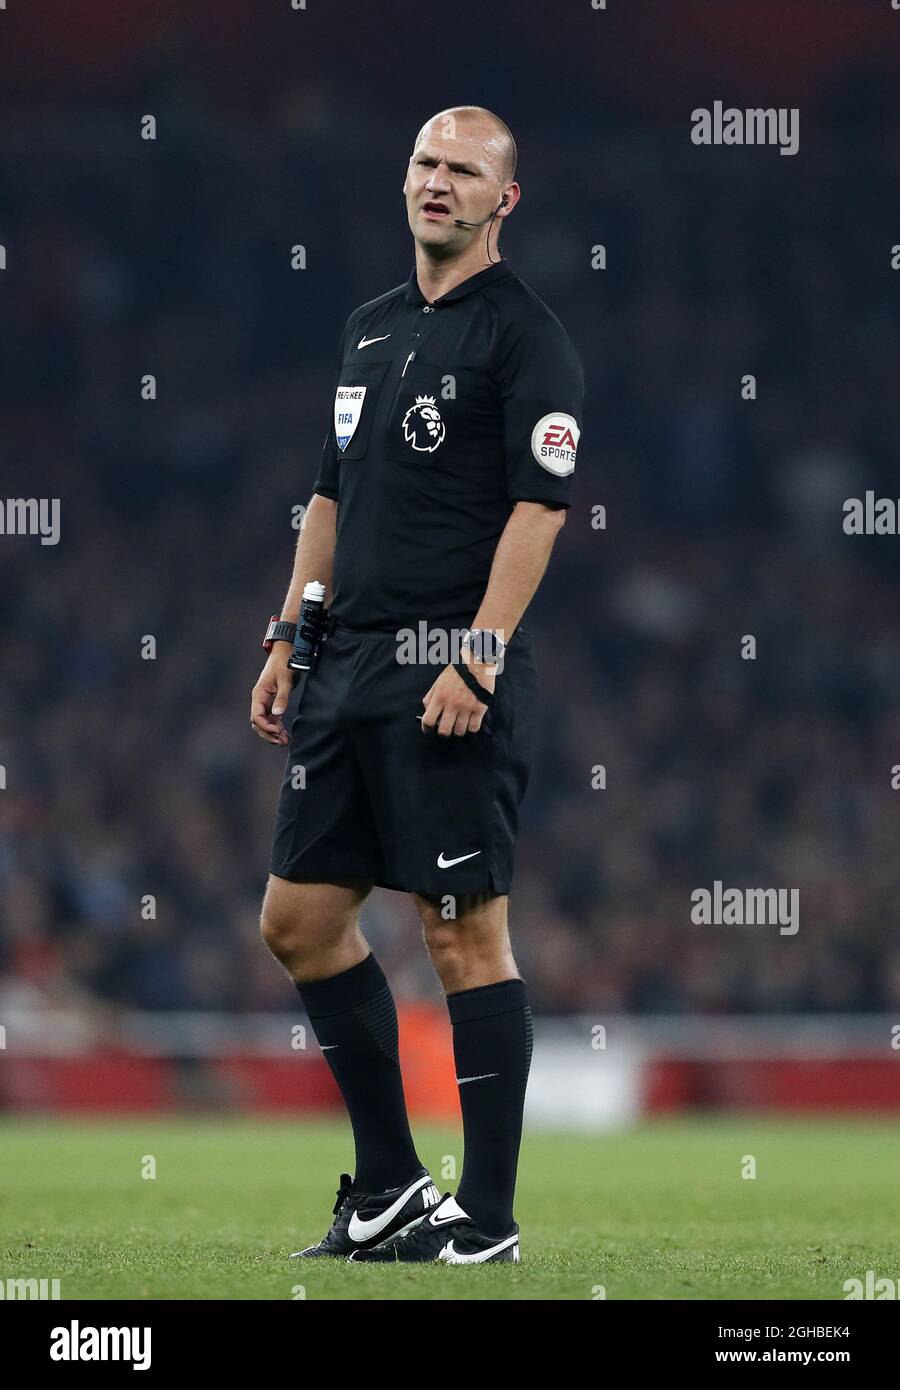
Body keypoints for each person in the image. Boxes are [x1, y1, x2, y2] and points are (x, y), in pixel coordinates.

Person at [251, 105, 584, 1264]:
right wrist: (294, 631)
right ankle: (391, 1186)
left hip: (451, 666)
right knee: (297, 920)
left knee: (462, 939)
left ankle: (485, 1222)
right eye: (425, 164)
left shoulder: (525, 338)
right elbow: (330, 497)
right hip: (345, 665)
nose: (438, 183)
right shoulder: (369, 328)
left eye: (465, 171)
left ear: (505, 201)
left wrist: (479, 653)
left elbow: (541, 511)